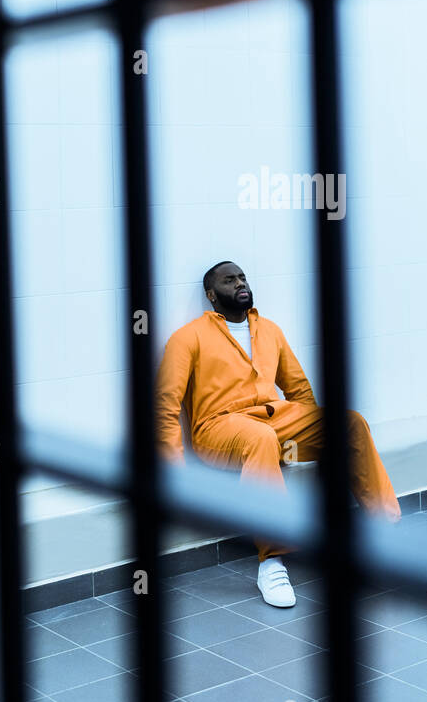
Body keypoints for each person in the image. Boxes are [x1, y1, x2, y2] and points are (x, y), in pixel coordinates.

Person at [154, 260, 401, 607]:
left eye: (242, 277)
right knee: (260, 439)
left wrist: (312, 438)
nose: (239, 283)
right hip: (219, 426)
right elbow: (164, 406)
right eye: (228, 280)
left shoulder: (269, 330)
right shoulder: (187, 338)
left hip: (275, 419)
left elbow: (298, 390)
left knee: (351, 423)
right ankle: (271, 561)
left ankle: (386, 533)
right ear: (211, 295)